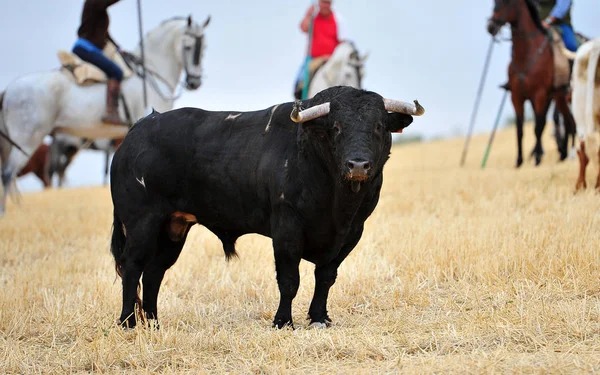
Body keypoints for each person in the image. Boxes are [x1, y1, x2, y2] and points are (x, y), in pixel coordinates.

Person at [72, 0, 125, 125]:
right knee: (116, 72)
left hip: (86, 48)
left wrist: (118, 48)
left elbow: (105, 35)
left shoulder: (98, 12)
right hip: (86, 48)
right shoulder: (93, 3)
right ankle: (111, 112)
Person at [294, 0, 349, 99]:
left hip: (332, 59)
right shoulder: (313, 17)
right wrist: (308, 14)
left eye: (327, 2)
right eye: (323, 2)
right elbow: (303, 28)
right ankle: (300, 103)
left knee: (349, 74)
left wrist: (333, 57)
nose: (325, 5)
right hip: (314, 59)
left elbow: (342, 42)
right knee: (300, 81)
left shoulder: (338, 19)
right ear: (319, 3)